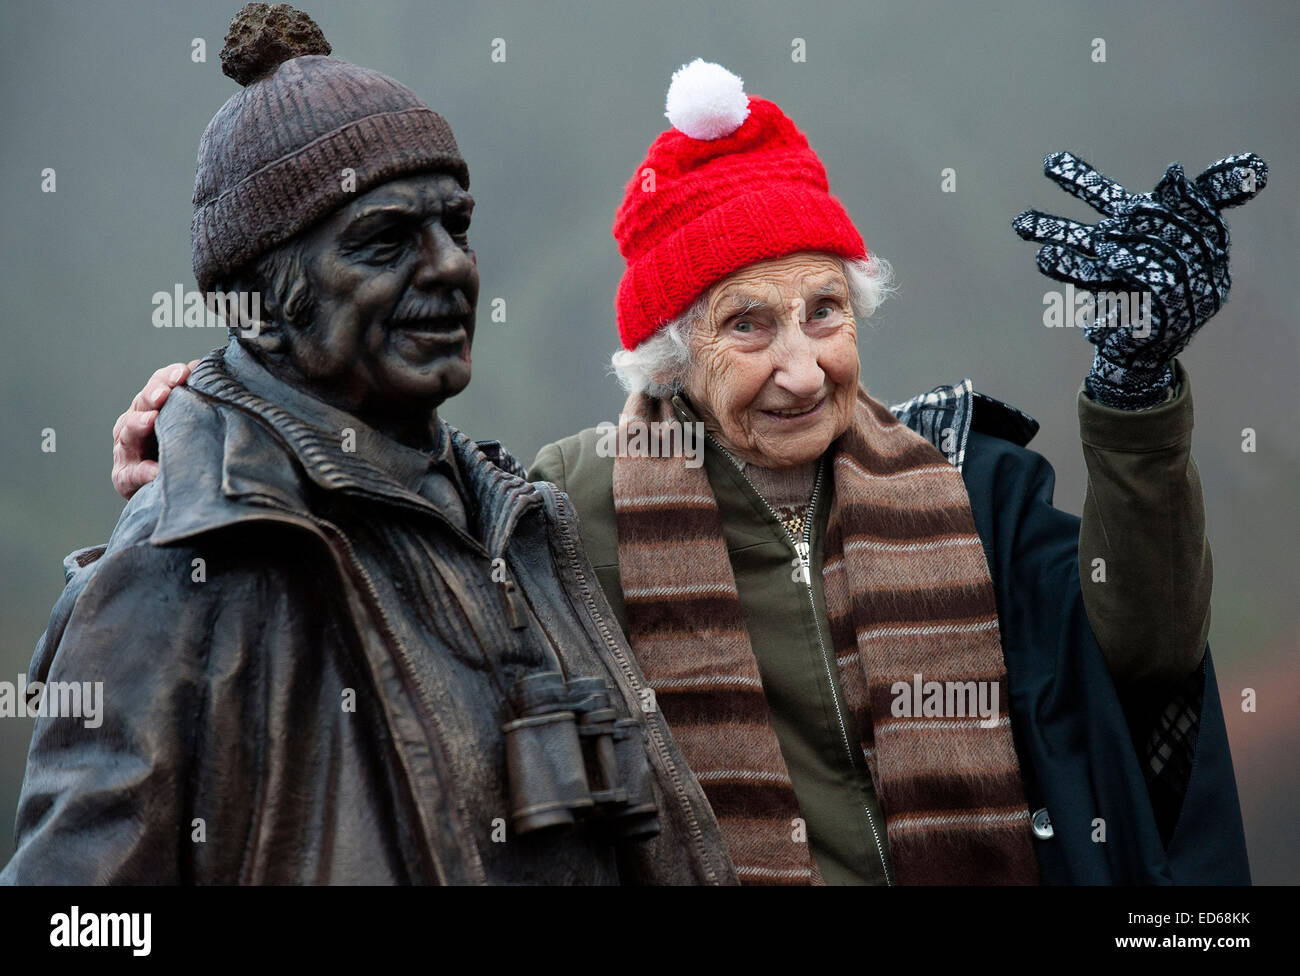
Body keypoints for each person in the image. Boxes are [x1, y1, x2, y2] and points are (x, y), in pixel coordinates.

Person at [110, 59, 1263, 885]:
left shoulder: (977, 484)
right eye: (748, 327)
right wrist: (216, 430)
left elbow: (1148, 656)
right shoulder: (564, 511)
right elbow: (379, 531)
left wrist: (1133, 383)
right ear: (671, 353)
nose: (805, 370)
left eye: (826, 311)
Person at [1, 5, 733, 886]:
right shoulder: (181, 560)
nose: (452, 266)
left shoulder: (521, 519)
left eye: (455, 226)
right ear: (259, 302)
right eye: (385, 241)